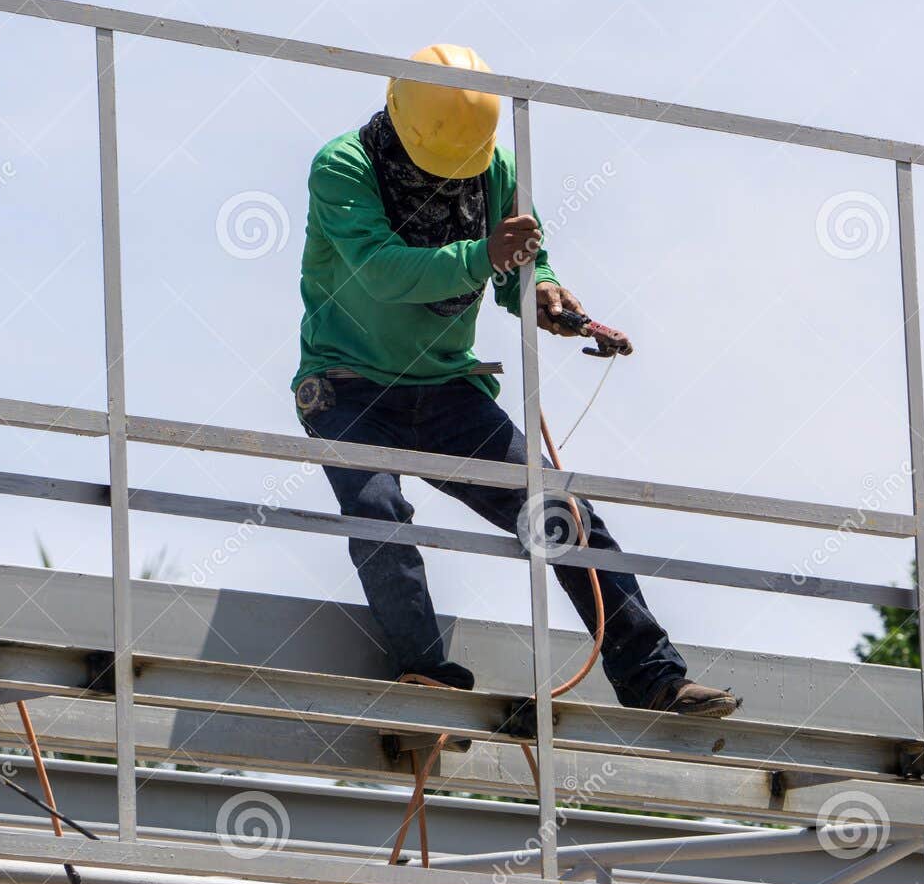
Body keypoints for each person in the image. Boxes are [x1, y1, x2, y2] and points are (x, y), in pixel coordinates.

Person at [291, 43, 738, 718]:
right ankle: (426, 671)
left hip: (446, 390)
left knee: (562, 515)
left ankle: (654, 677)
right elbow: (378, 270)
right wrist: (485, 254)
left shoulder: (490, 166)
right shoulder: (343, 168)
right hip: (350, 388)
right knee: (378, 510)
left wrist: (555, 302)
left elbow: (524, 268)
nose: (446, 183)